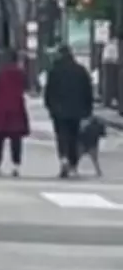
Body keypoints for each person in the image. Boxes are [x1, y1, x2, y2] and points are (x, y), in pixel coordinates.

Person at [44, 45, 93, 178]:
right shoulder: (81, 70)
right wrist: (88, 110)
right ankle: (73, 164)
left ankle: (64, 158)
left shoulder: (54, 70)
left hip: (59, 110)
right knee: (74, 137)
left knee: (61, 136)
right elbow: (87, 91)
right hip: (77, 110)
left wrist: (50, 106)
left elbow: (49, 91)